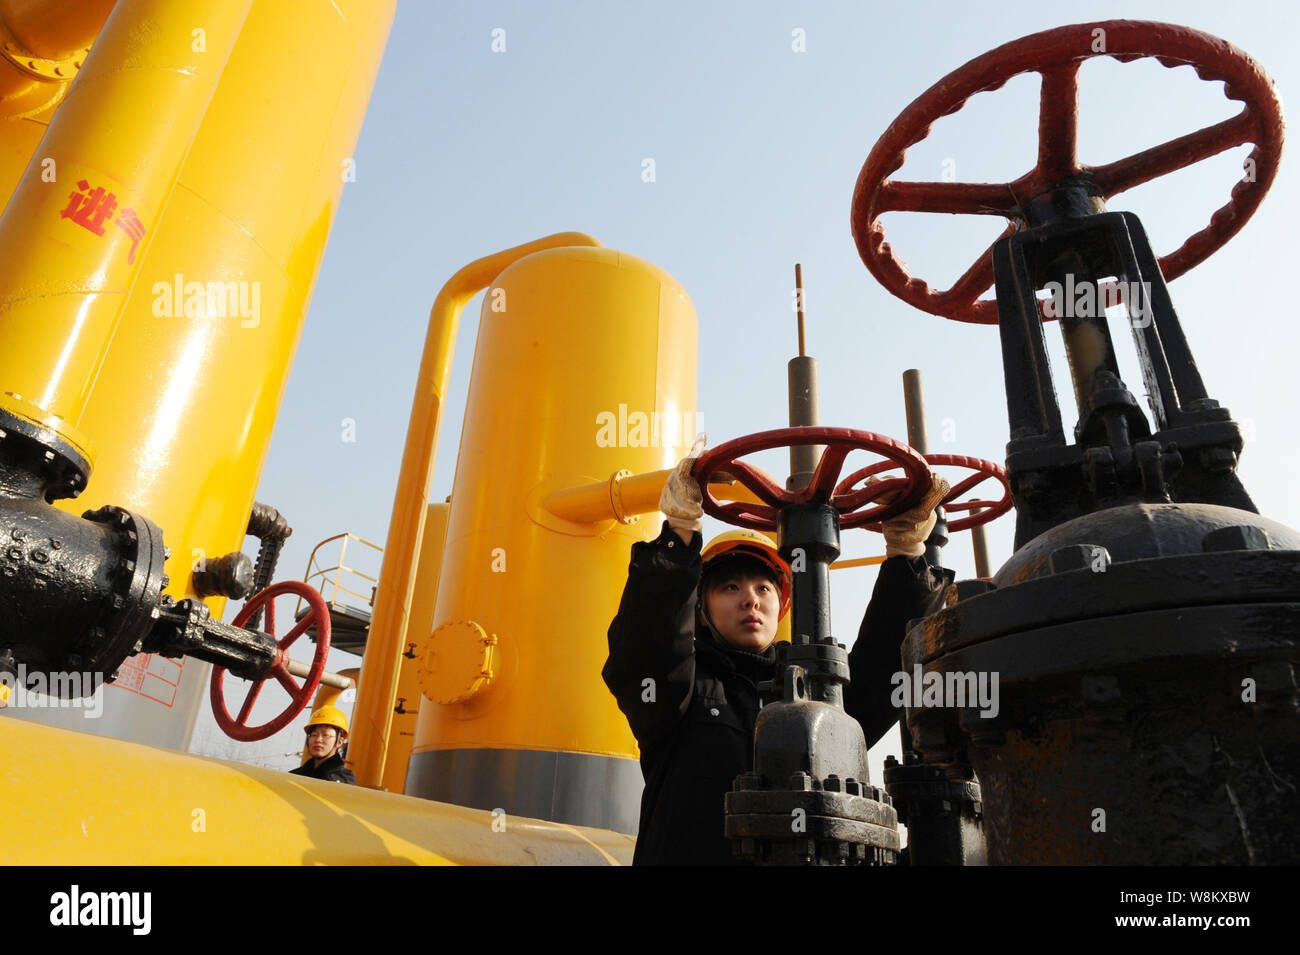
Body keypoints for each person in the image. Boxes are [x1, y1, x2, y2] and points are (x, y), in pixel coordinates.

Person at [603, 442, 950, 865]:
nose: (750, 600)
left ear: (781, 604)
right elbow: (645, 650)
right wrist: (678, 534)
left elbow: (882, 678)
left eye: (763, 588)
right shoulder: (683, 692)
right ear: (702, 609)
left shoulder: (816, 695)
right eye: (730, 588)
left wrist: (907, 552)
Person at [289, 706, 357, 784]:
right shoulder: (295, 775)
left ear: (340, 742)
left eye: (326, 735)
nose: (318, 740)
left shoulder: (343, 780)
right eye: (314, 735)